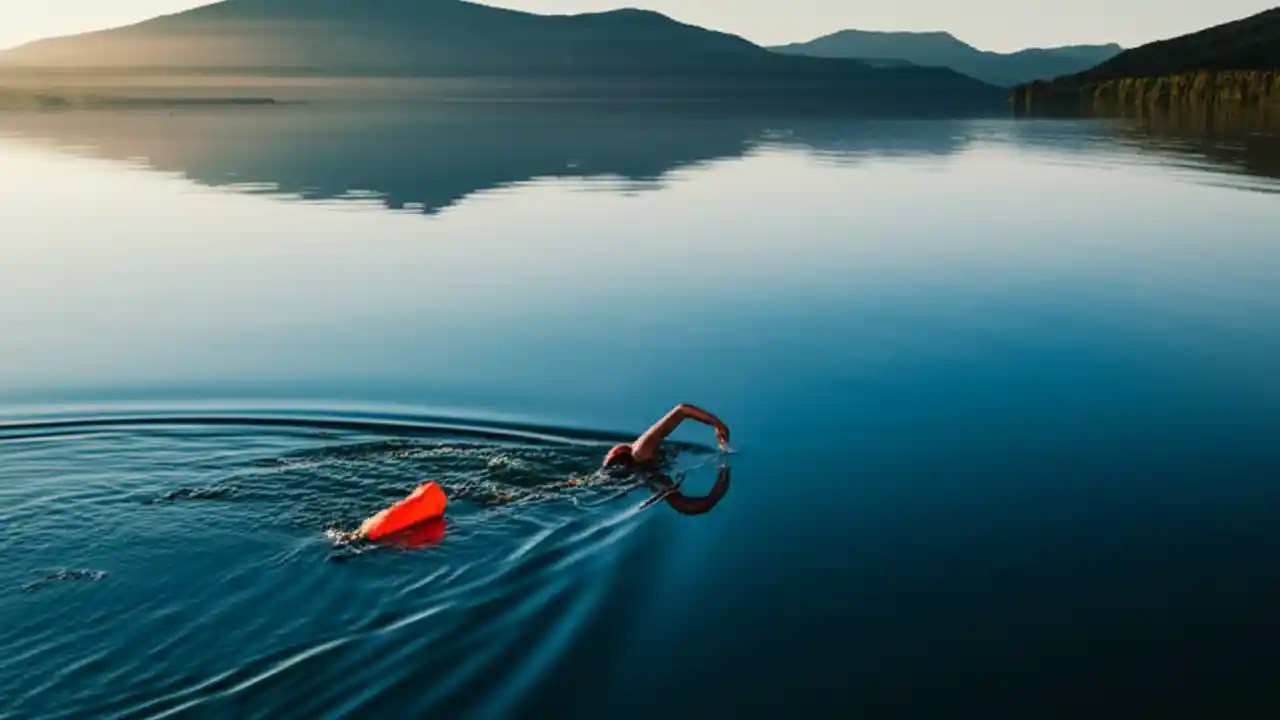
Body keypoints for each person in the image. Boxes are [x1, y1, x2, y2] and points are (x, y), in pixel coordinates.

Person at [604, 403, 730, 469]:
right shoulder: (641, 449)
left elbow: (685, 506)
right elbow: (682, 410)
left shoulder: (643, 452)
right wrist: (719, 425)